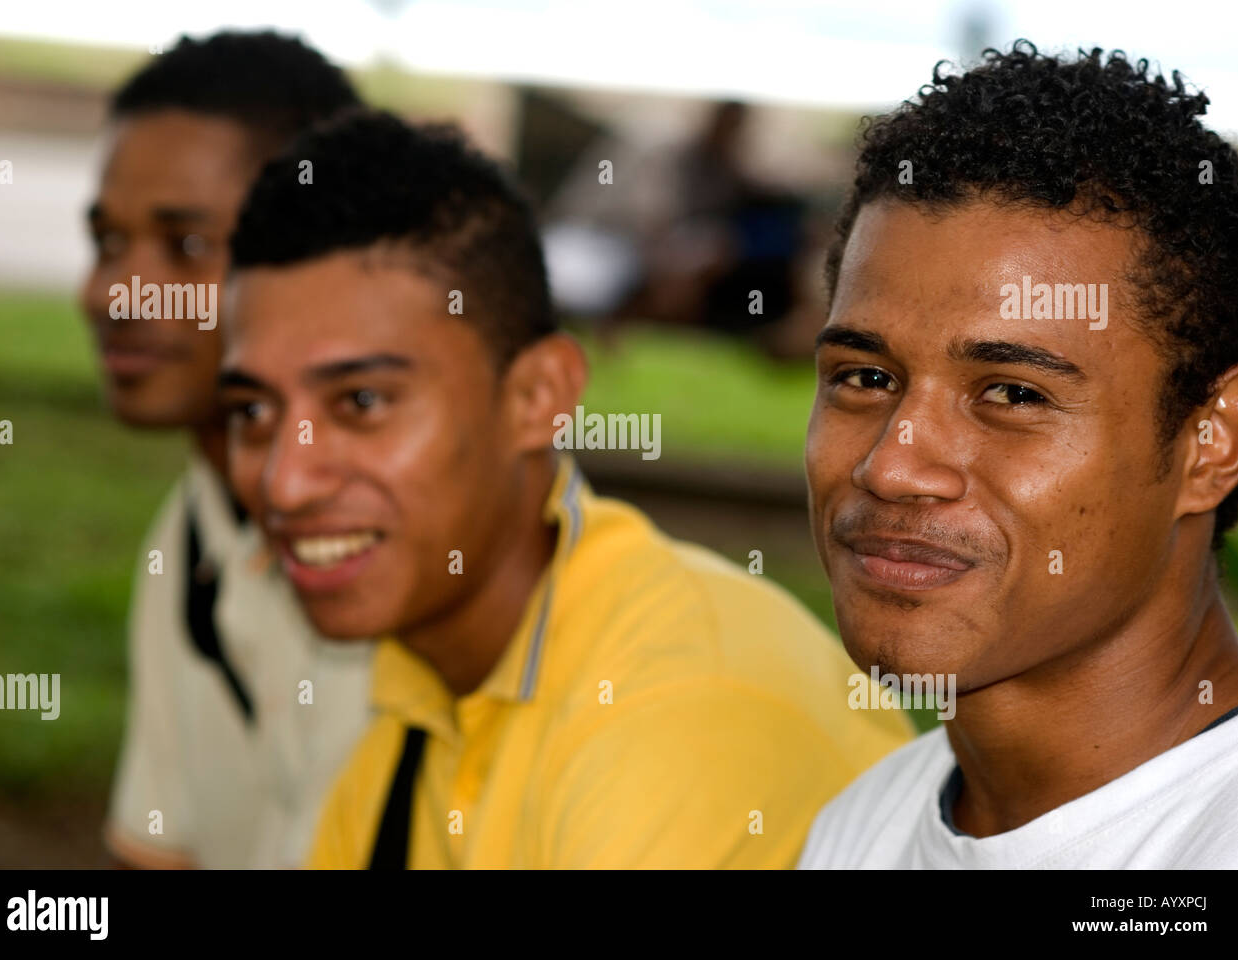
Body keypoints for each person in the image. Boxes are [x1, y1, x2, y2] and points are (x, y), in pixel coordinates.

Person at [219, 108, 913, 868]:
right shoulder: (414, 712)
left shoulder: (675, 712)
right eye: (253, 411)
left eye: (362, 402)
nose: (286, 480)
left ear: (536, 396)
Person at [798, 41, 1238, 868]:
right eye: (866, 377)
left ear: (1212, 441)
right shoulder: (862, 830)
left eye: (1013, 394)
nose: (892, 466)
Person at [79, 31, 371, 868]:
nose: (113, 294)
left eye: (188, 247)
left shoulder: (412, 563)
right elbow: (152, 850)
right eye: (107, 243)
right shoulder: (189, 539)